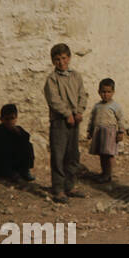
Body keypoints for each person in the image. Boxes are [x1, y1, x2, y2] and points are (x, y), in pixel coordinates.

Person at [44, 43, 87, 203]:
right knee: (59, 155)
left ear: (69, 58)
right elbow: (54, 100)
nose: (61, 62)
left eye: (63, 58)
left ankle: (70, 185)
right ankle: (58, 189)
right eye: (57, 59)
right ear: (53, 61)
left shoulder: (76, 76)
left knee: (73, 154)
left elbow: (82, 94)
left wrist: (79, 111)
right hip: (60, 122)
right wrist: (67, 113)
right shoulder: (52, 80)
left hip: (74, 120)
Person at [0, 104, 35, 184]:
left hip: (14, 161)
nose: (10, 122)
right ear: (1, 119)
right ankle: (12, 174)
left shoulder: (18, 130)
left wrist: (19, 134)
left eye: (12, 118)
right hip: (1, 162)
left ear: (16, 118)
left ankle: (24, 171)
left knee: (28, 145)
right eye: (7, 119)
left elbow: (26, 139)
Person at [87, 78, 125, 183]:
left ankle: (109, 174)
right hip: (99, 132)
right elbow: (92, 119)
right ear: (99, 92)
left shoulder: (115, 106)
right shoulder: (97, 106)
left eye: (109, 92)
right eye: (103, 92)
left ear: (113, 92)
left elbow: (121, 119)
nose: (106, 94)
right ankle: (104, 173)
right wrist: (90, 131)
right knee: (102, 154)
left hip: (110, 133)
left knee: (109, 154)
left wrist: (121, 132)